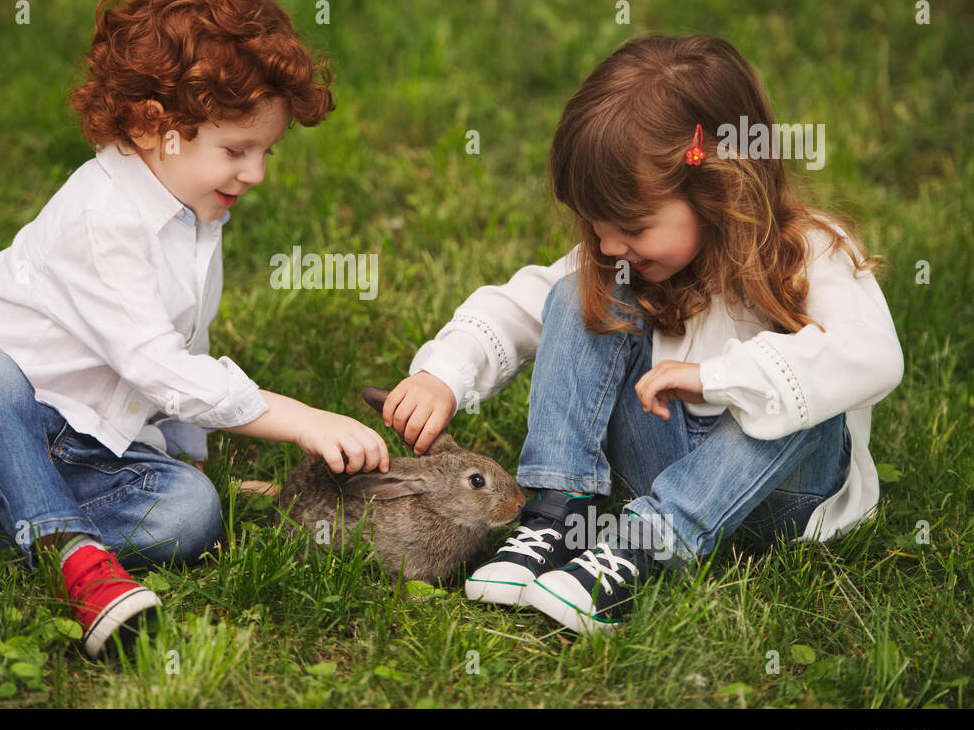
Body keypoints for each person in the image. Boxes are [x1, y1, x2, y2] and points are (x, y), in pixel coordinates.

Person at [0, 0, 390, 659]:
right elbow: (154, 363)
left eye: (267, 151)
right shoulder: (103, 212)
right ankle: (76, 557)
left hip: (88, 452)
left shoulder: (198, 212)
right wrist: (298, 419)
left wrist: (188, 455)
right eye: (237, 150)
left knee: (192, 513)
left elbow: (186, 344)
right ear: (154, 125)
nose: (256, 173)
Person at [382, 34, 904, 636]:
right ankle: (555, 516)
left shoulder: (808, 251)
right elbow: (525, 304)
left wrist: (717, 379)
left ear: (718, 185)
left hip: (781, 498)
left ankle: (639, 549)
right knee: (577, 293)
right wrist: (445, 371)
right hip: (657, 466)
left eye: (629, 225)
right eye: (597, 225)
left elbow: (874, 358)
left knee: (798, 400)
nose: (607, 244)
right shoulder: (624, 259)